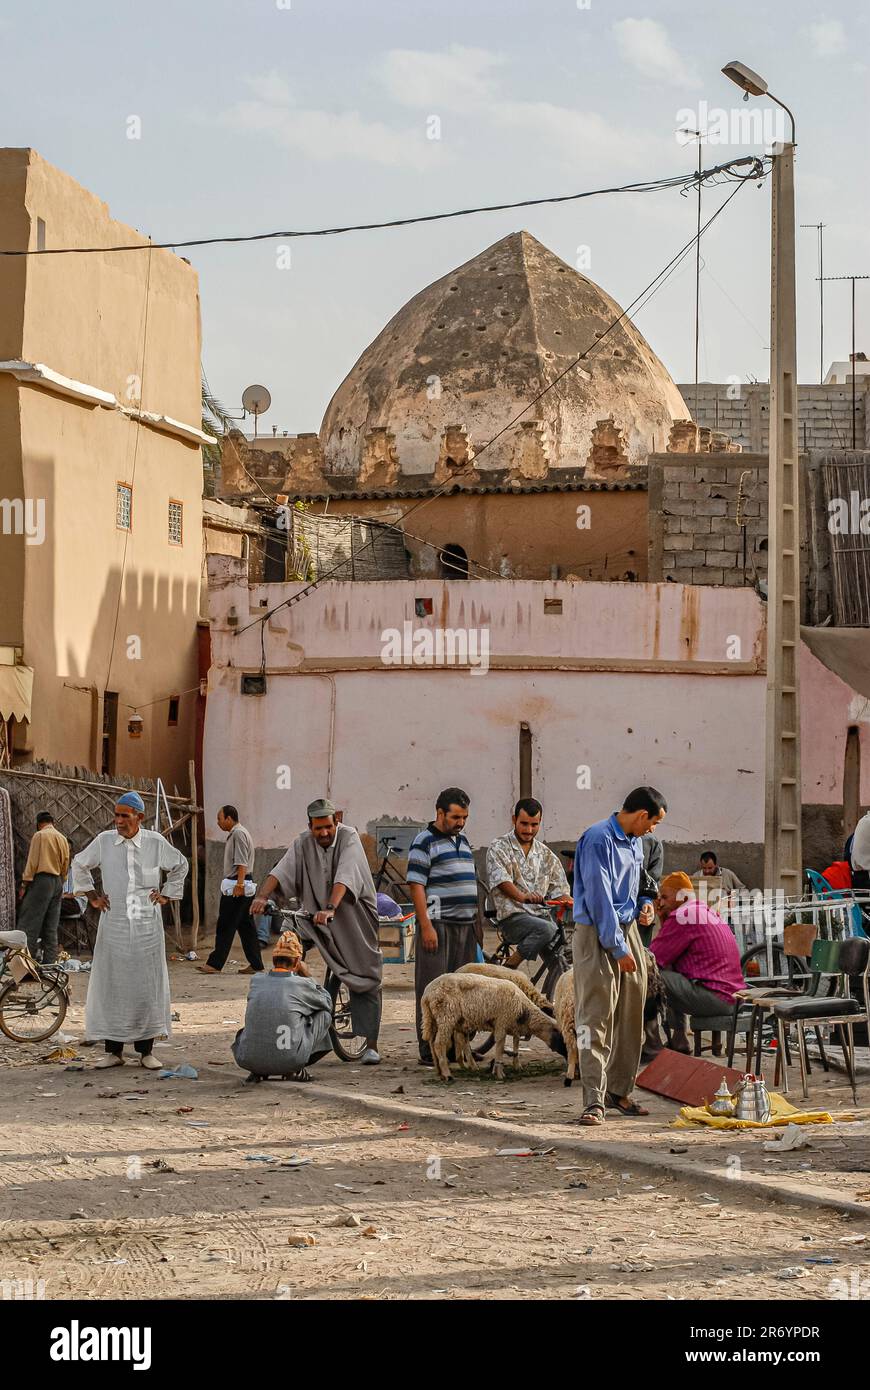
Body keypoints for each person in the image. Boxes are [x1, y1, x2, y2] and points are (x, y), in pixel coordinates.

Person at [252, 798, 383, 1064]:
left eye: (328, 827)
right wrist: (262, 897)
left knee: (364, 973)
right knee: (286, 949)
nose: (323, 833)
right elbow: (282, 870)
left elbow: (345, 875)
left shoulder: (350, 839)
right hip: (313, 915)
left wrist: (332, 907)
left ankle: (370, 1044)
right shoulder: (303, 842)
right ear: (309, 826)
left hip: (350, 917)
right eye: (317, 828)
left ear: (336, 821)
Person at [571, 786, 668, 1126]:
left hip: (627, 930)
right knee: (596, 1015)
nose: (653, 829)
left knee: (631, 1012)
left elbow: (639, 885)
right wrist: (617, 948)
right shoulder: (598, 839)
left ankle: (619, 1091)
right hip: (598, 933)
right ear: (642, 815)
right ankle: (593, 1101)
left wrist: (645, 906)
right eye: (654, 822)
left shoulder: (636, 843)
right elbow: (598, 898)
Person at [71, 791, 188, 1069]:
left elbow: (180, 865)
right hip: (115, 924)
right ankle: (113, 1051)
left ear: (139, 817)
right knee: (114, 982)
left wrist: (166, 896)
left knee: (146, 983)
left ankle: (146, 1051)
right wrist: (93, 897)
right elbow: (79, 863)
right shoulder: (104, 842)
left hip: (148, 925)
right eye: (117, 815)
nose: (119, 820)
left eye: (125, 815)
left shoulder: (155, 842)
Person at [407, 788, 478, 1066]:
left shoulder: (463, 840)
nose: (460, 822)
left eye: (465, 817)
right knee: (433, 990)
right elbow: (416, 886)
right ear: (440, 813)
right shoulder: (423, 842)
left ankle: (457, 1048)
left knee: (463, 990)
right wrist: (426, 926)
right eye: (455, 817)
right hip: (438, 925)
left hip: (465, 926)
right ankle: (429, 1049)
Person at [649, 872, 745, 1055]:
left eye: (664, 897)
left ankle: (653, 1043)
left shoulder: (681, 915)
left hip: (717, 998)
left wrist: (661, 919)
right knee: (668, 973)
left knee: (652, 976)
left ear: (682, 897)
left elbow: (652, 959)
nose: (659, 902)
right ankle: (679, 1038)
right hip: (735, 996)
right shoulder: (704, 910)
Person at [231, 929, 332, 1083]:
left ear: (273, 960)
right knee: (324, 1015)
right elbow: (327, 1002)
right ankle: (293, 1066)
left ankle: (259, 1069)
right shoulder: (301, 984)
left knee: (247, 1028)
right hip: (290, 1060)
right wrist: (308, 976)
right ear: (297, 962)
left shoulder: (256, 980)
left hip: (247, 1059)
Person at [486, 799, 572, 968]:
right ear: (514, 819)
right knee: (546, 929)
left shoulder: (545, 854)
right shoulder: (499, 847)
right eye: (524, 824)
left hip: (542, 917)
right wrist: (523, 897)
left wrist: (572, 901)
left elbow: (559, 888)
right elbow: (502, 881)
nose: (529, 830)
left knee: (560, 960)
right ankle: (509, 968)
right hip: (513, 919)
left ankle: (551, 992)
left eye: (534, 825)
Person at [197, 806, 263, 976]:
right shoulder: (238, 833)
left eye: (220, 818)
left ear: (229, 818)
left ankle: (215, 964)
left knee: (225, 924)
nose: (218, 822)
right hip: (240, 883)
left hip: (237, 885)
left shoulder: (238, 834)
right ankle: (256, 964)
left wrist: (239, 886)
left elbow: (241, 862)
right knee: (246, 926)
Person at [17, 812, 70, 964]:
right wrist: (61, 881)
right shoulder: (62, 838)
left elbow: (32, 862)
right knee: (51, 926)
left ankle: (25, 963)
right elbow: (66, 865)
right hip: (58, 882)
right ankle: (49, 964)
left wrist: (24, 884)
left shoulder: (39, 836)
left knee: (29, 923)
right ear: (53, 822)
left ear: (39, 823)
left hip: (42, 881)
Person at [637, 831, 664, 948]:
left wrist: (646, 901)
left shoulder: (652, 842)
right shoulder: (652, 841)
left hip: (641, 914)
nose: (652, 828)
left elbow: (653, 880)